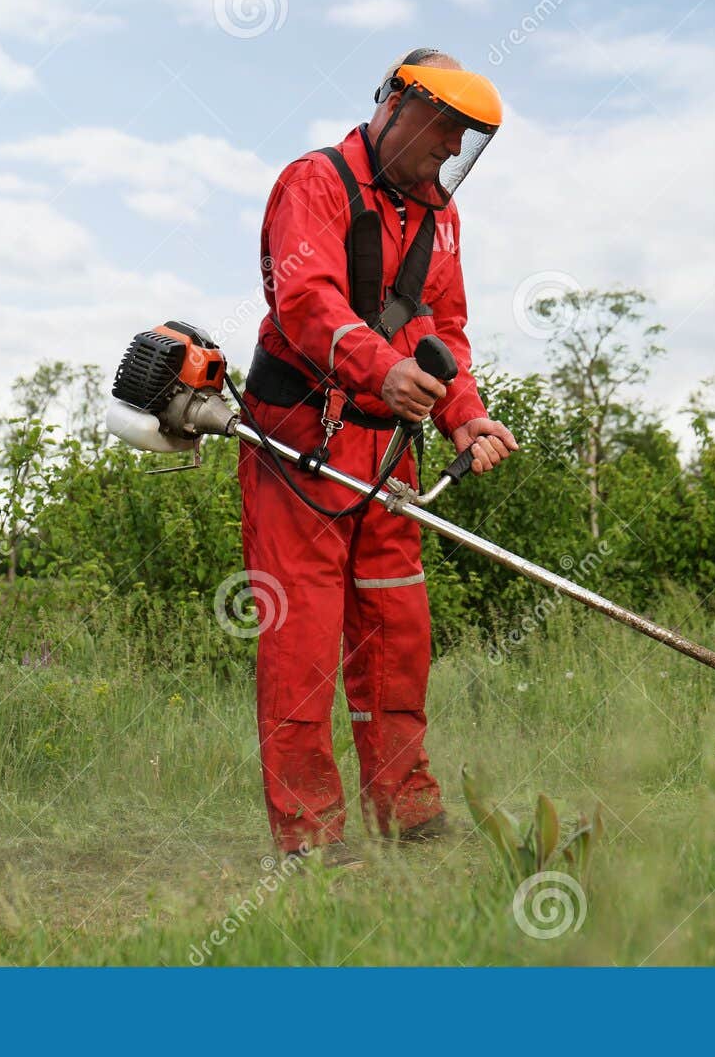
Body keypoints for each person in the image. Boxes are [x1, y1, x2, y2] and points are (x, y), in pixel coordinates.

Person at [239, 47, 518, 865]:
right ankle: (312, 836)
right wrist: (379, 368)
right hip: (302, 439)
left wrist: (463, 414)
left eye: (461, 140)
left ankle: (407, 808)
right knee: (304, 640)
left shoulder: (439, 213)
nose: (447, 153)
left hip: (388, 450)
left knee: (398, 631)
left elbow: (442, 330)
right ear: (394, 106)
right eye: (439, 132)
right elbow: (305, 301)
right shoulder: (315, 183)